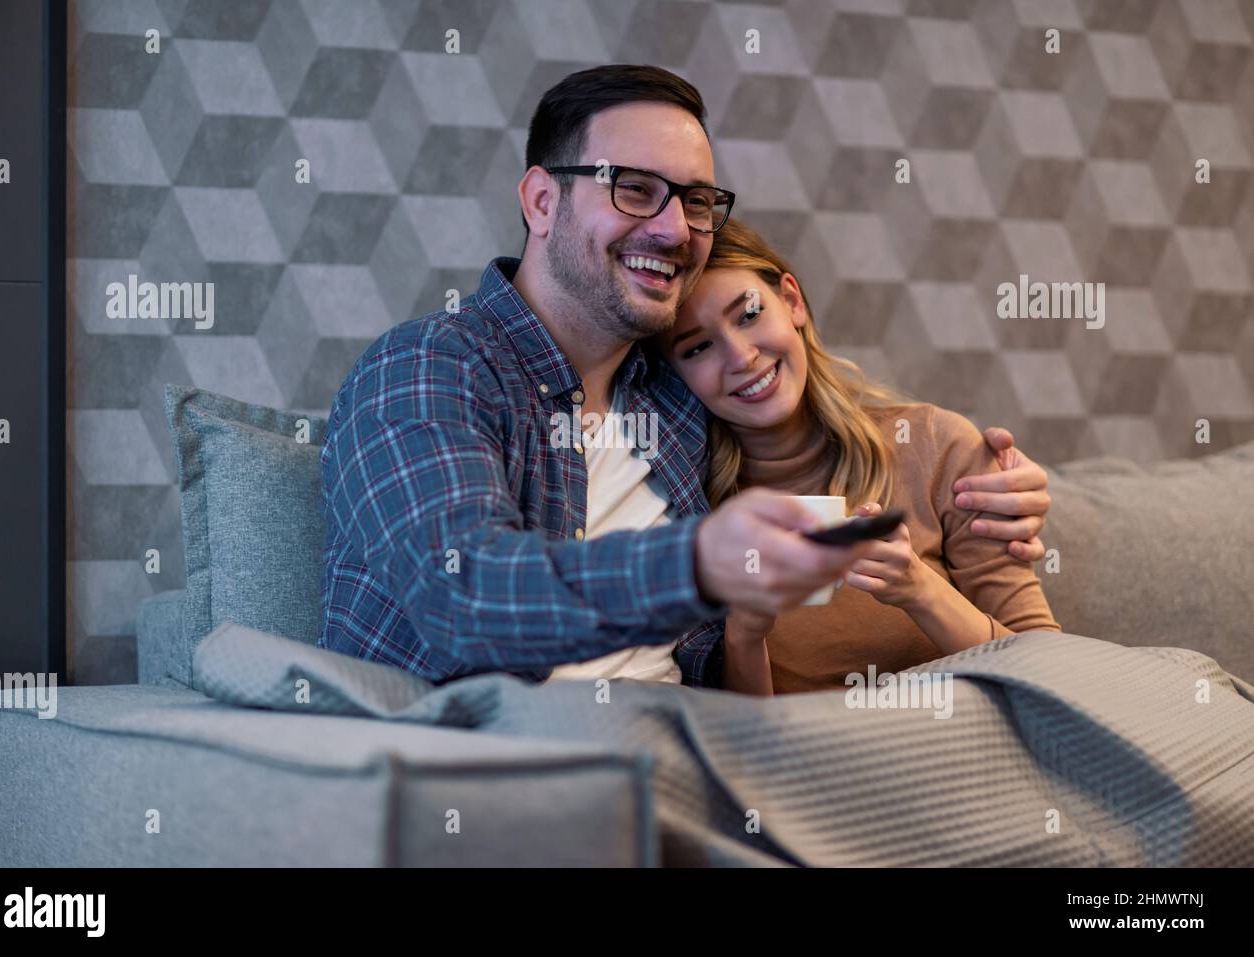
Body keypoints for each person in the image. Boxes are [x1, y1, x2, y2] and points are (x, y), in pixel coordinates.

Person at [318, 64, 1052, 690]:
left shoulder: (675, 405)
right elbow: (463, 597)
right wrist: (700, 563)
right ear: (542, 201)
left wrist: (997, 487)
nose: (674, 229)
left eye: (694, 199)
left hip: (691, 765)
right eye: (633, 188)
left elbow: (812, 433)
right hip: (487, 764)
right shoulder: (429, 369)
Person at [652, 218, 1061, 694]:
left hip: (959, 750)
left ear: (791, 301)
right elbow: (743, 741)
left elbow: (1049, 670)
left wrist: (919, 590)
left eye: (749, 315)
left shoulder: (935, 445)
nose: (741, 356)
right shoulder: (685, 510)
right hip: (813, 763)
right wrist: (744, 635)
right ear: (673, 374)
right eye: (698, 347)